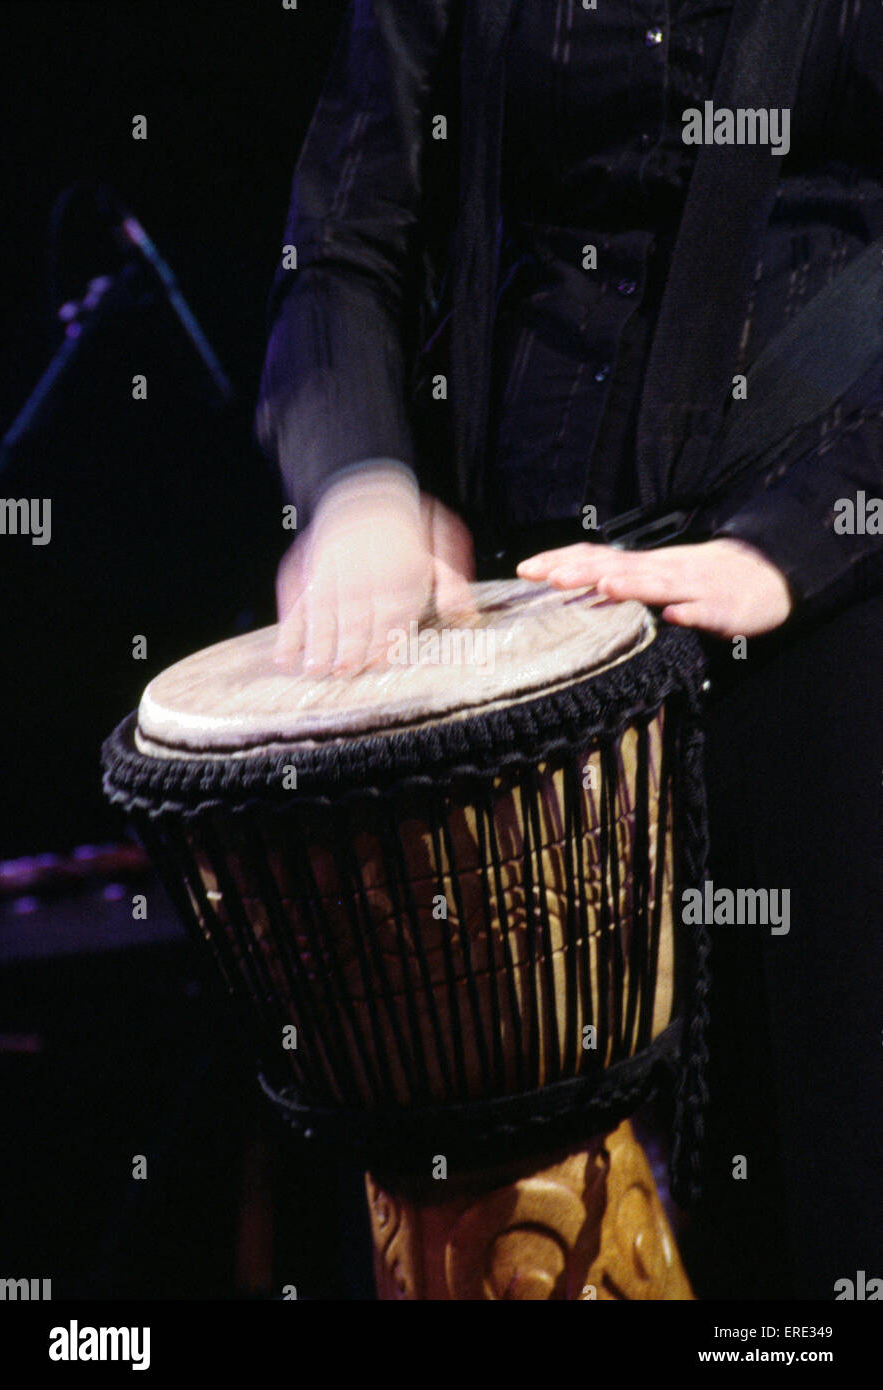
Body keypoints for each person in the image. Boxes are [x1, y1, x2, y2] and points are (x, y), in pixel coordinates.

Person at [256, 1, 883, 1299]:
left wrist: (793, 542)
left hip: (817, 571)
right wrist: (360, 479)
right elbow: (341, 245)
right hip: (524, 615)